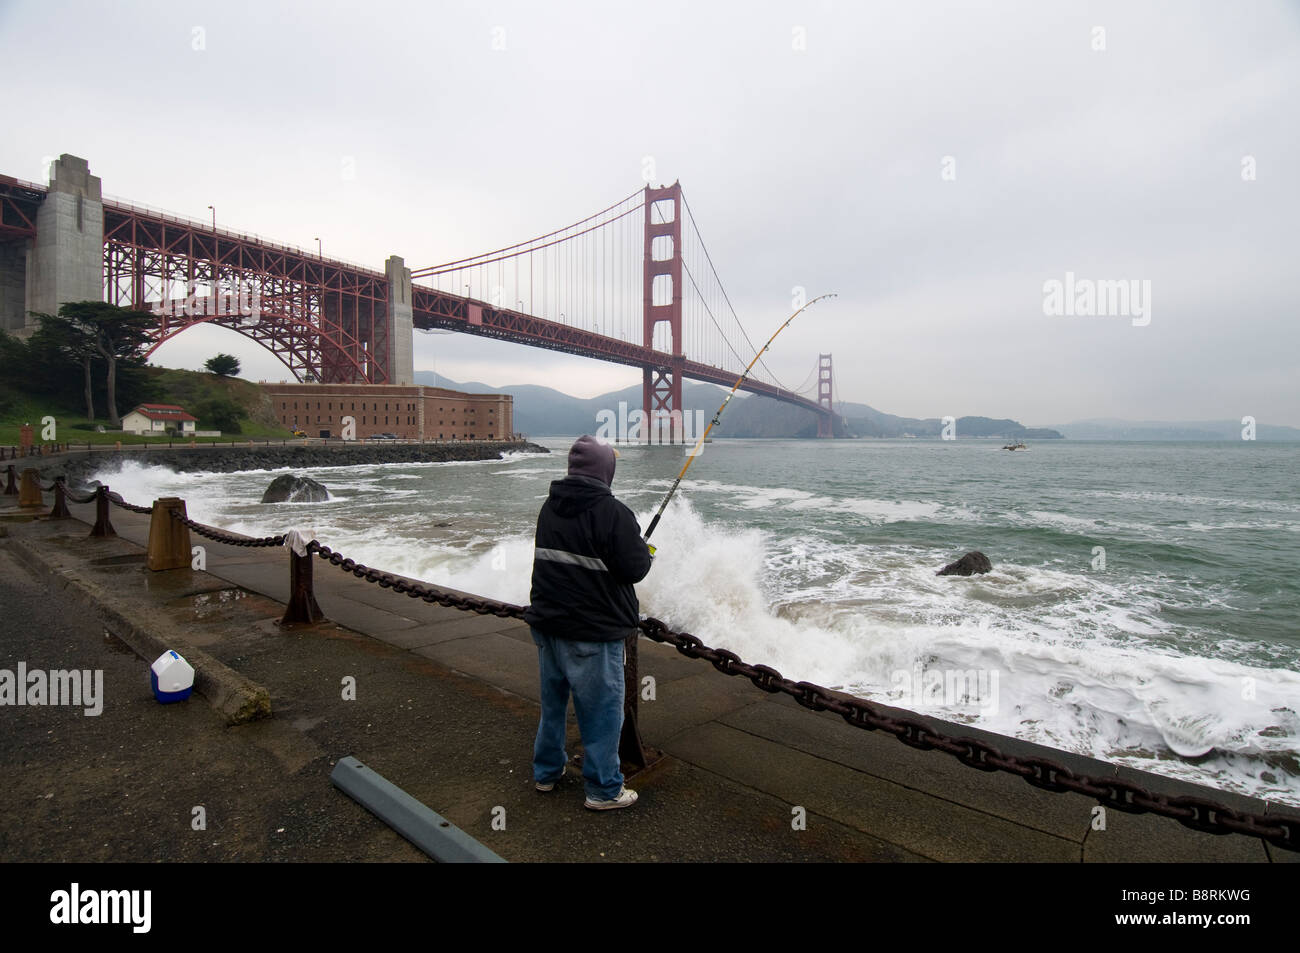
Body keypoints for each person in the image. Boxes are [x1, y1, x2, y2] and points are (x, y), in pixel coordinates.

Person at [524, 434, 653, 810]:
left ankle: (546, 772)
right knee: (601, 715)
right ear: (604, 472)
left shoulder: (549, 506)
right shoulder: (613, 513)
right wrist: (644, 550)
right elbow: (636, 568)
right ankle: (603, 789)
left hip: (548, 625)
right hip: (592, 633)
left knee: (553, 706)